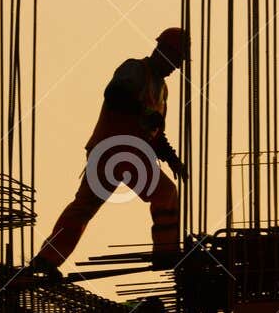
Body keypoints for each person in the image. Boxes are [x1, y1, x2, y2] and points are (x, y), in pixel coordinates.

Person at [32, 28, 188, 279]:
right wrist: (144, 112)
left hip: (112, 153)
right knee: (165, 193)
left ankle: (47, 259)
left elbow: (155, 133)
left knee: (83, 208)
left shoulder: (162, 90)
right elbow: (114, 94)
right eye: (176, 60)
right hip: (120, 149)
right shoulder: (135, 69)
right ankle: (165, 251)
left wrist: (172, 159)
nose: (177, 67)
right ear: (163, 51)